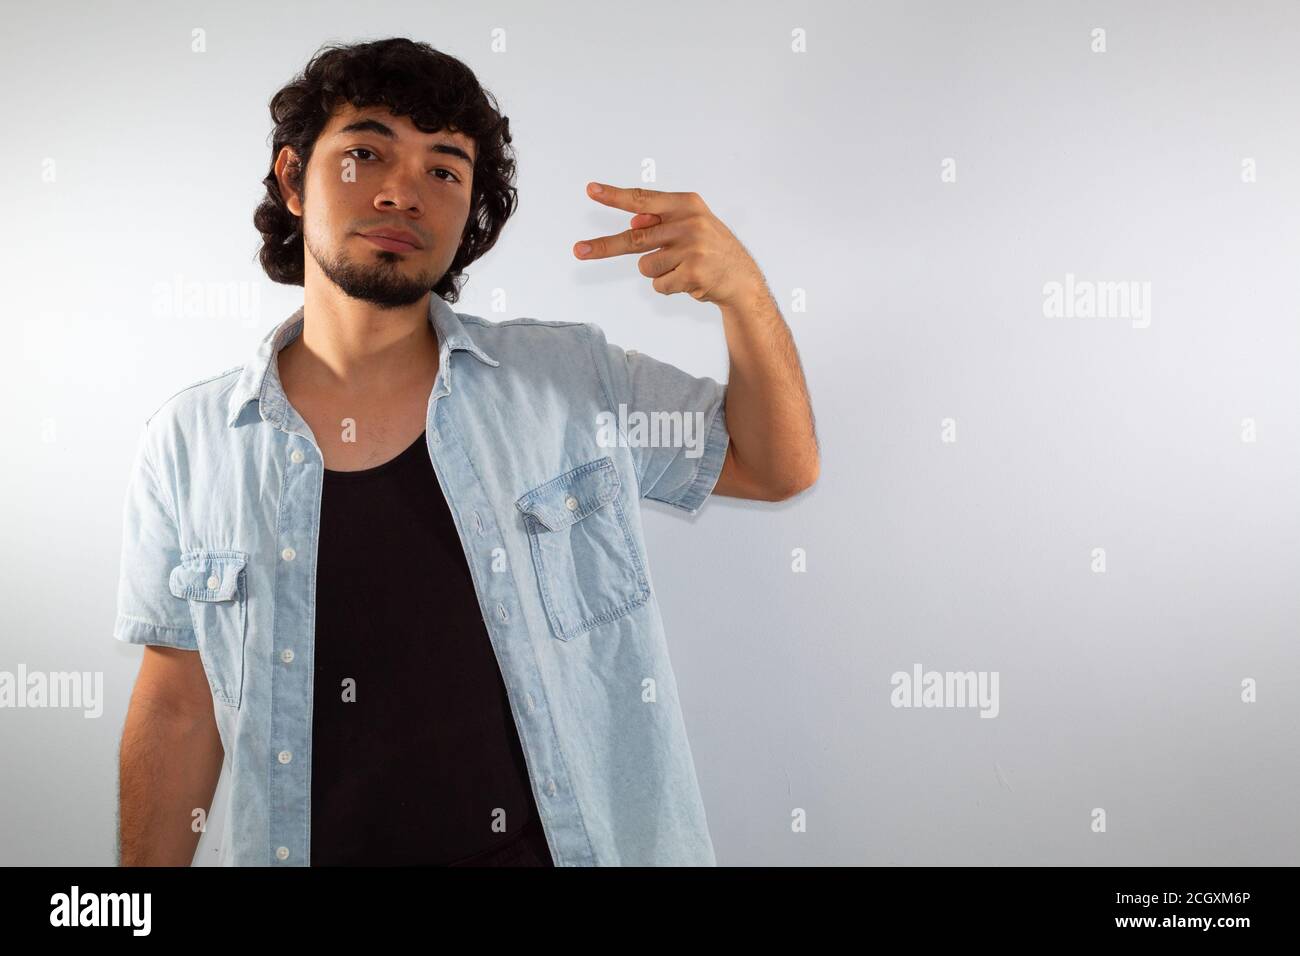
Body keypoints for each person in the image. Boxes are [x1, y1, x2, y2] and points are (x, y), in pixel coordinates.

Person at [114, 37, 818, 867]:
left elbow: (777, 465)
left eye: (444, 169)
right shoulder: (190, 442)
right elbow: (179, 707)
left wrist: (743, 293)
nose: (402, 191)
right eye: (366, 152)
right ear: (292, 180)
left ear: (471, 212)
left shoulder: (571, 379)